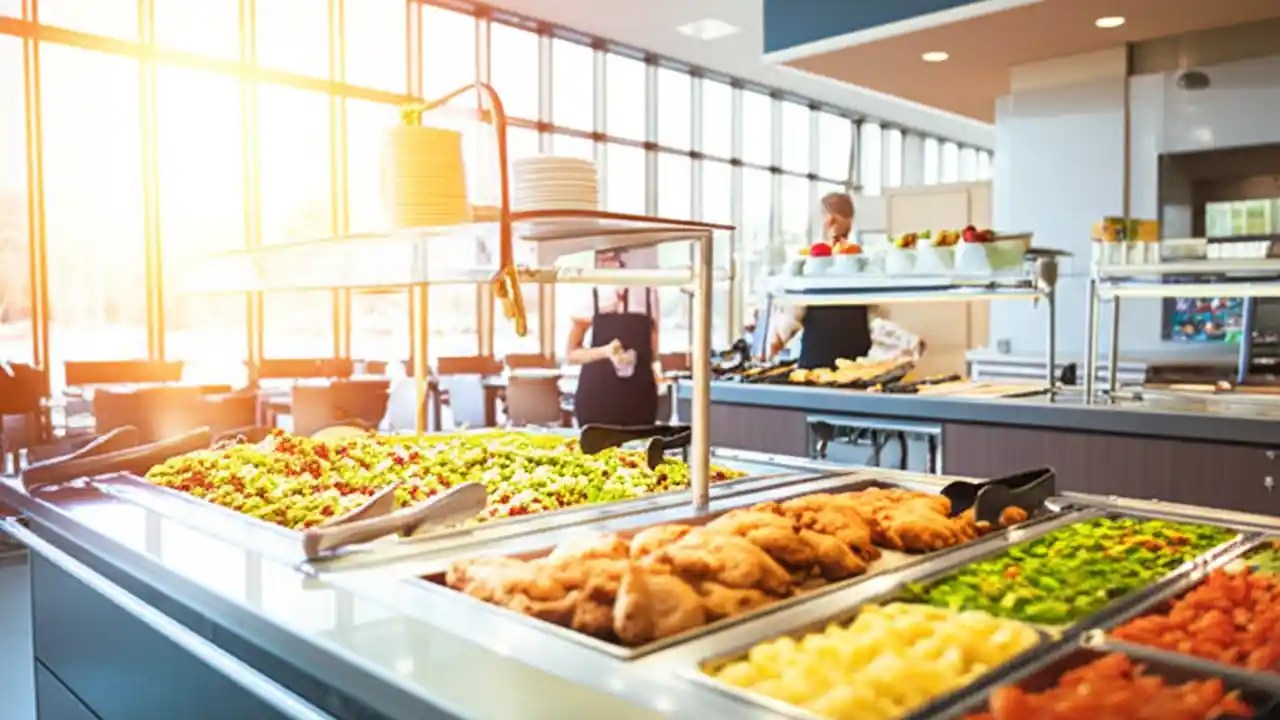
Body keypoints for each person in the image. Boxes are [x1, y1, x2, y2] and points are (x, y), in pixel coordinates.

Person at [768, 192, 874, 368]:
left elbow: (792, 313)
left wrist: (777, 340)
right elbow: (877, 310)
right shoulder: (861, 262)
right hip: (857, 361)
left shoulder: (813, 263)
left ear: (827, 219)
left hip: (818, 359)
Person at [567, 250, 661, 427]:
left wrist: (633, 358)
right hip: (597, 397)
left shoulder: (648, 295)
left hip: (639, 398)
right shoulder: (592, 295)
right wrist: (605, 352)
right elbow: (572, 353)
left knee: (636, 452)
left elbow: (653, 350)